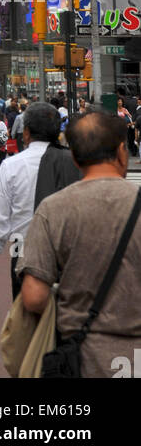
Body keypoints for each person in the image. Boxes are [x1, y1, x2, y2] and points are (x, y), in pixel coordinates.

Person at [20, 111, 141, 377]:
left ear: (74, 157)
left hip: (84, 354)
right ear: (122, 152)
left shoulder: (53, 209)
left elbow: (33, 296)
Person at [0, 101, 79, 303]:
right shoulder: (74, 162)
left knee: (27, 317)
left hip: (23, 249)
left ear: (26, 132)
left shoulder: (11, 166)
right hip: (68, 254)